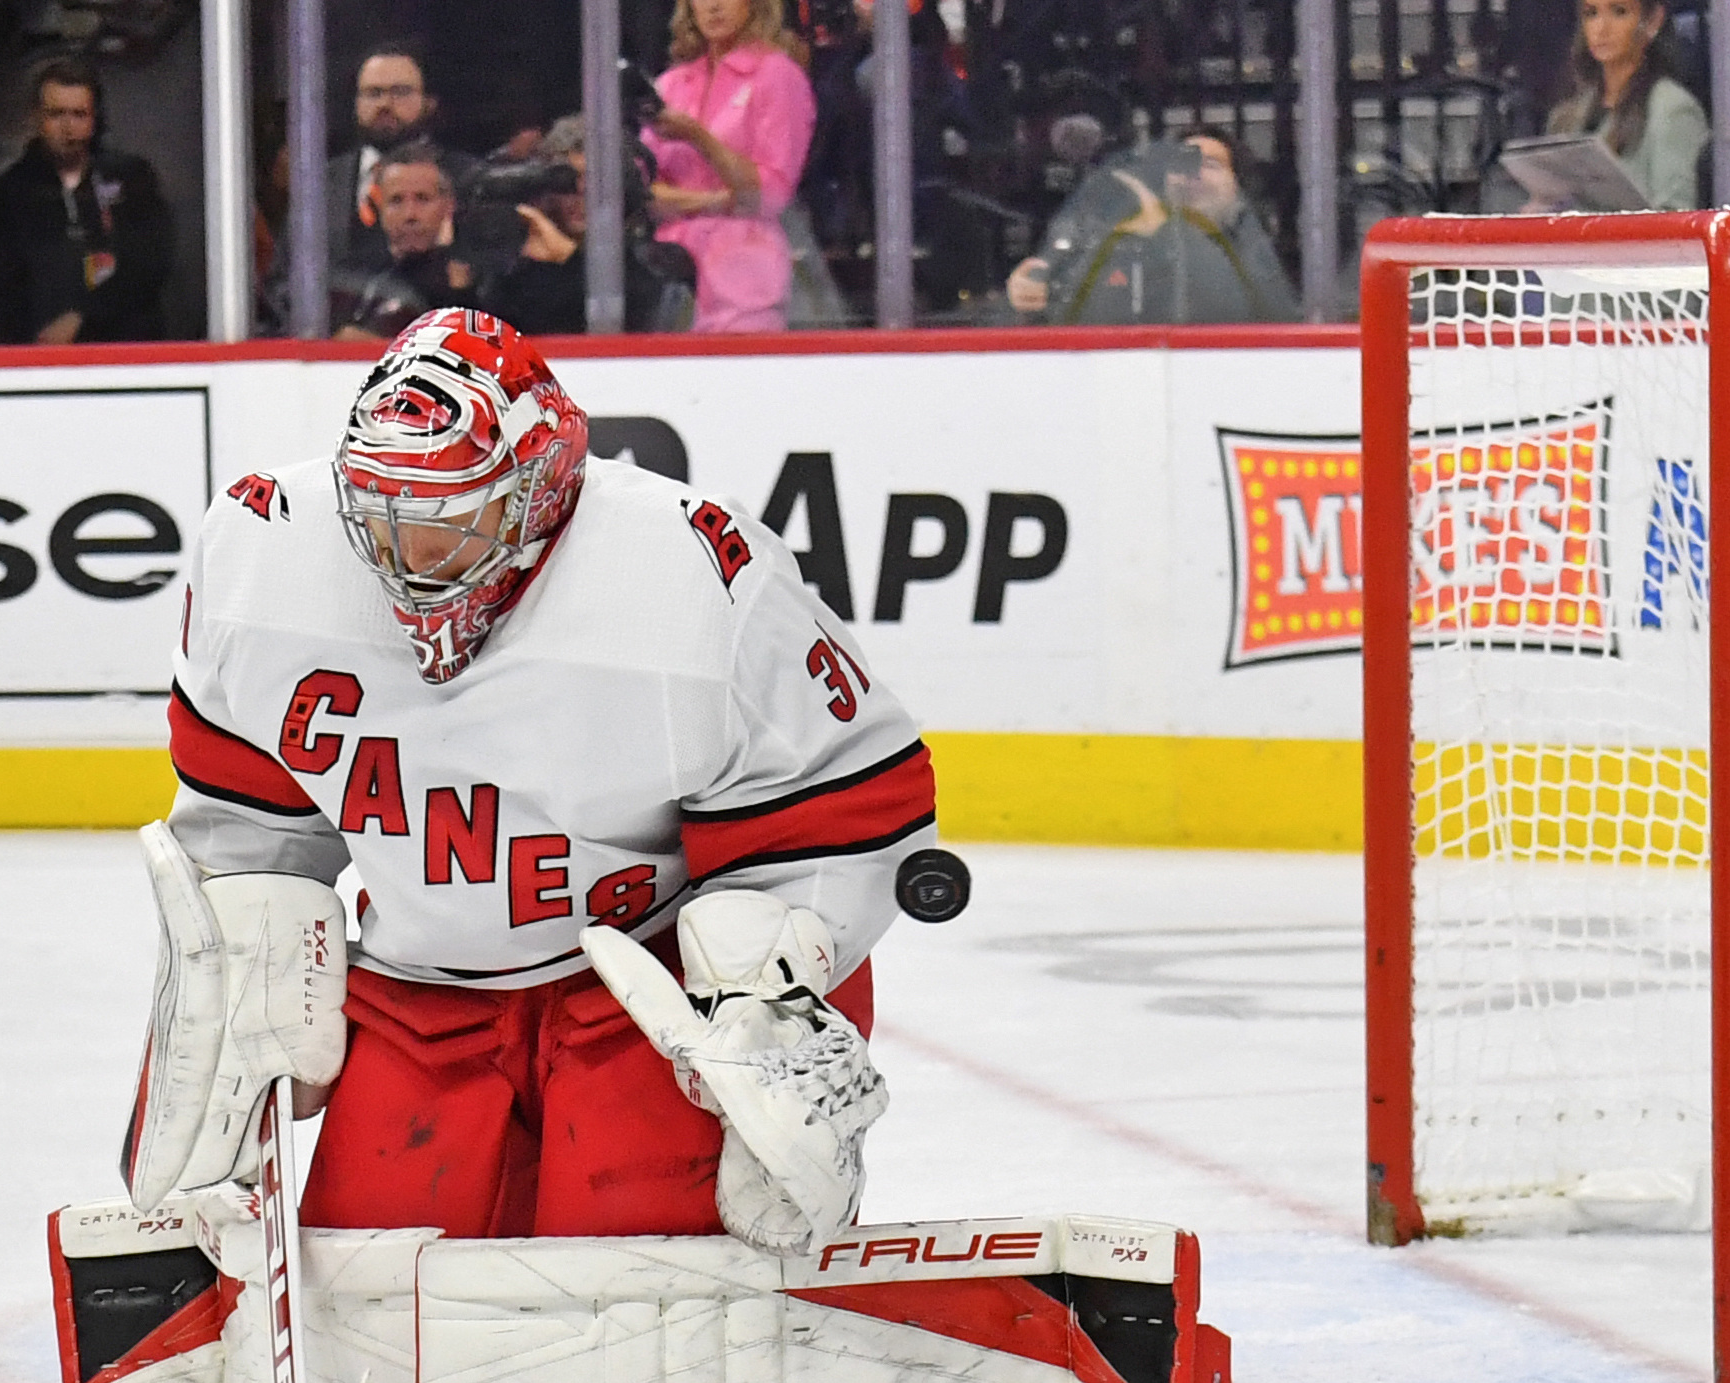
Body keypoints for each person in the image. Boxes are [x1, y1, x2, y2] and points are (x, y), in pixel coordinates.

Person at [141, 307, 932, 1245]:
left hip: (645, 989)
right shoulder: (260, 553)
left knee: (642, 1284)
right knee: (373, 1287)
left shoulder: (691, 577)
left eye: (449, 521)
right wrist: (247, 965)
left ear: (539, 488)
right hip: (416, 990)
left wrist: (772, 995)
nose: (410, 559)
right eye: (382, 518)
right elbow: (244, 823)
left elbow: (838, 816)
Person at [0, 57, 173, 345]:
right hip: (38, 361)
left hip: (124, 357)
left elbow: (150, 261)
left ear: (94, 119)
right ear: (37, 118)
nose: (68, 127)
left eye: (78, 114)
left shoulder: (131, 180)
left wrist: (84, 316)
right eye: (56, 114)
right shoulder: (5, 197)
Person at [1003, 134, 1299, 326]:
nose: (1193, 172)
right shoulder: (1115, 251)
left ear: (1239, 187)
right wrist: (1030, 300)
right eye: (1182, 163)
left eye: (1210, 163)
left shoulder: (1273, 261)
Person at [645, 0, 816, 331]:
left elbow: (769, 195)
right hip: (668, 273)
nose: (714, 5)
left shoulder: (778, 76)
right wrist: (720, 200)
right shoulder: (671, 84)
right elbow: (645, 192)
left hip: (744, 276)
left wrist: (700, 138)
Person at [483, 115, 695, 335]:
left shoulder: (663, 264)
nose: (582, 193)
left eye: (597, 181)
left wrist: (568, 256)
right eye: (568, 180)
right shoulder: (518, 274)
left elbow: (634, 319)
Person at [1544, 0, 1709, 211]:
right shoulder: (1570, 113)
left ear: (1653, 20)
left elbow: (1676, 215)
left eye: (1619, 12)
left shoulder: (1672, 109)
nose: (1602, 28)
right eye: (1591, 13)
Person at [329, 141, 479, 341]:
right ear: (379, 208)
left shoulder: (471, 277)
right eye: (396, 201)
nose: (410, 215)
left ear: (449, 205)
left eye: (423, 199)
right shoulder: (351, 273)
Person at [324, 43, 448, 275]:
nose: (384, 104)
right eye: (373, 93)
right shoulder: (319, 183)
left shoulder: (464, 177)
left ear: (429, 102)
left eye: (400, 92)